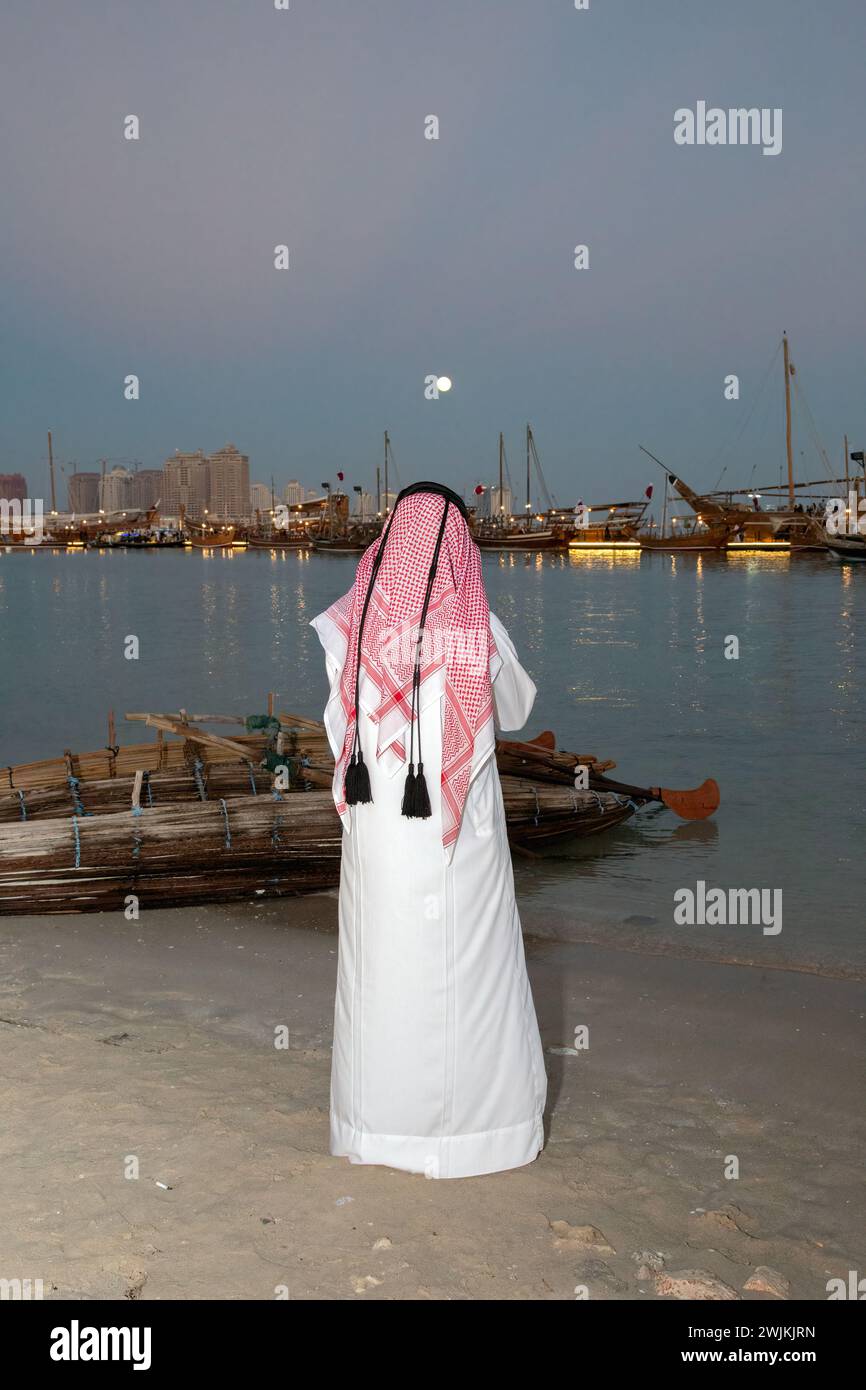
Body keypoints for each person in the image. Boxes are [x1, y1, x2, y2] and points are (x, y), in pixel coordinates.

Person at [310, 481, 547, 1179]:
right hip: (457, 842)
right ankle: (482, 1138)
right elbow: (516, 711)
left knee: (381, 975)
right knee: (471, 976)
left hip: (378, 836)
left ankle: (372, 1132)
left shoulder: (343, 626)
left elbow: (335, 729)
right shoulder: (477, 627)